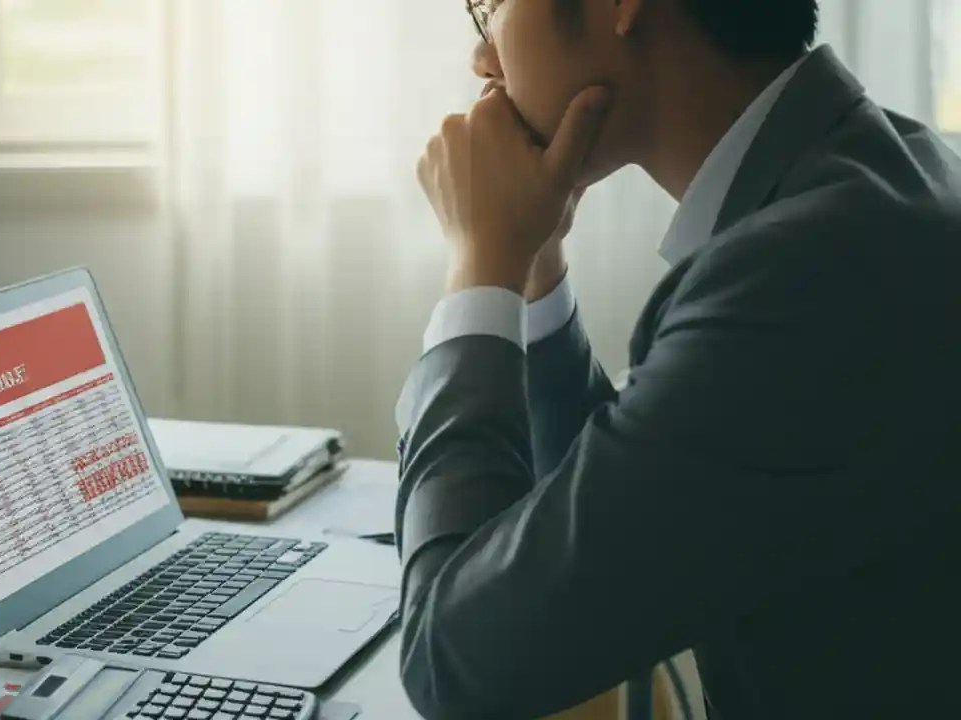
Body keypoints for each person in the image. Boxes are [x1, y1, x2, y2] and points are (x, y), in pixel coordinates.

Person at [395, 0, 961, 717]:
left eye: (491, 7)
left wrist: (480, 271)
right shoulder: (872, 177)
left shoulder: (795, 277)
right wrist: (534, 267)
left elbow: (455, 662)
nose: (482, 60)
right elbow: (617, 521)